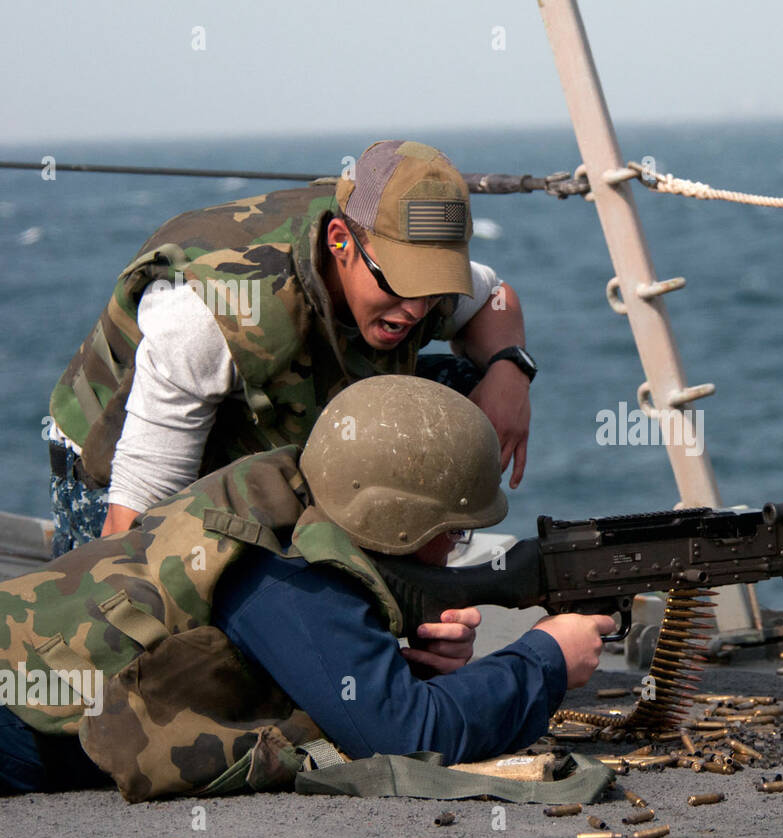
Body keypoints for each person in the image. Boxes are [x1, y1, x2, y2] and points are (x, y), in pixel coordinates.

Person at [0, 376, 608, 800]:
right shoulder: (286, 572)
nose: (456, 546)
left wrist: (403, 659)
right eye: (449, 529)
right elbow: (408, 737)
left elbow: (313, 664)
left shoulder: (290, 501)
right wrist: (546, 658)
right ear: (395, 520)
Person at [46, 139, 540, 556]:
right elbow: (132, 533)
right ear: (341, 242)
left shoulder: (405, 264)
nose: (416, 308)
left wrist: (510, 370)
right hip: (122, 448)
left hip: (268, 406)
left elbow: (496, 301)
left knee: (459, 395)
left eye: (432, 286)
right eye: (401, 284)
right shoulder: (209, 320)